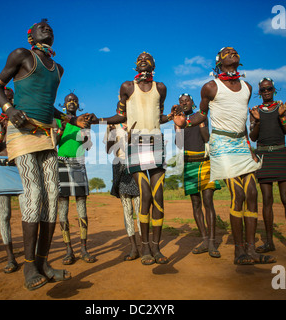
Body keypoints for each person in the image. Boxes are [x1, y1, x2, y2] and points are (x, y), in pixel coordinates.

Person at [0, 19, 89, 290]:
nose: (47, 28)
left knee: (53, 196)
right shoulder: (22, 55)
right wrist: (10, 110)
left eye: (51, 27)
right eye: (40, 27)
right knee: (33, 195)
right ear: (30, 34)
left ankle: (44, 262)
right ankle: (29, 266)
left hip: (46, 135)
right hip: (21, 132)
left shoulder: (58, 69)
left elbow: (48, 106)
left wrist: (72, 120)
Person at [173, 47, 276, 265]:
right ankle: (239, 252)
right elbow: (202, 114)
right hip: (221, 142)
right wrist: (185, 123)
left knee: (252, 194)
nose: (232, 52)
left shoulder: (247, 87)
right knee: (238, 193)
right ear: (219, 61)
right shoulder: (210, 87)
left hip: (240, 142)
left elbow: (240, 120)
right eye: (227, 52)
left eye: (235, 51)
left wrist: (249, 147)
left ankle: (252, 250)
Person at [90, 52, 174, 265]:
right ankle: (144, 247)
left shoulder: (161, 88)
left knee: (159, 196)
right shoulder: (127, 87)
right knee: (145, 195)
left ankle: (156, 247)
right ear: (135, 66)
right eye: (139, 58)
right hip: (135, 143)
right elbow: (122, 116)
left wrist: (173, 117)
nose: (143, 59)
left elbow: (159, 116)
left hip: (156, 142)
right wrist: (98, 120)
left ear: (154, 64)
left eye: (147, 57)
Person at [249, 78, 286, 257]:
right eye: (262, 90)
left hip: (280, 154)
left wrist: (281, 117)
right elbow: (254, 138)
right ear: (259, 92)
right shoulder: (255, 111)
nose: (266, 92)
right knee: (267, 200)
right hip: (264, 157)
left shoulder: (283, 108)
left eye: (269, 89)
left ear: (274, 90)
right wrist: (256, 121)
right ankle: (270, 242)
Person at [173, 93, 221, 258]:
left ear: (192, 103)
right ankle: (205, 240)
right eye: (181, 102)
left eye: (187, 101)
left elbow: (206, 138)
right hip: (189, 163)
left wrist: (201, 125)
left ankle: (213, 242)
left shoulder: (200, 116)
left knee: (208, 202)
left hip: (205, 162)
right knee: (195, 203)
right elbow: (178, 144)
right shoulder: (179, 119)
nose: (184, 103)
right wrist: (177, 126)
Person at [0, 87, 24, 273]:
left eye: (9, 99)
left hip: (22, 168)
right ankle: (10, 258)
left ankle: (30, 256)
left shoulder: (21, 118)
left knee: (29, 214)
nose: (6, 102)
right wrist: (1, 133)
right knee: (5, 216)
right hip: (2, 169)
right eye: (3, 100)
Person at [56, 93, 95, 265]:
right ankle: (68, 250)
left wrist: (86, 131)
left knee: (82, 208)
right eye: (68, 100)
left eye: (75, 100)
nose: (72, 102)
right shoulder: (59, 120)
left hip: (79, 164)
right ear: (64, 105)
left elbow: (88, 146)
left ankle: (84, 249)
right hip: (61, 164)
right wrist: (62, 128)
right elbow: (54, 143)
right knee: (63, 209)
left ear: (79, 105)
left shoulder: (84, 121)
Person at [104, 122, 141, 261]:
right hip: (120, 164)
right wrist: (112, 134)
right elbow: (109, 150)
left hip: (136, 164)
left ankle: (144, 246)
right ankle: (133, 247)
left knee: (140, 209)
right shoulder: (112, 126)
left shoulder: (137, 120)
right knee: (127, 210)